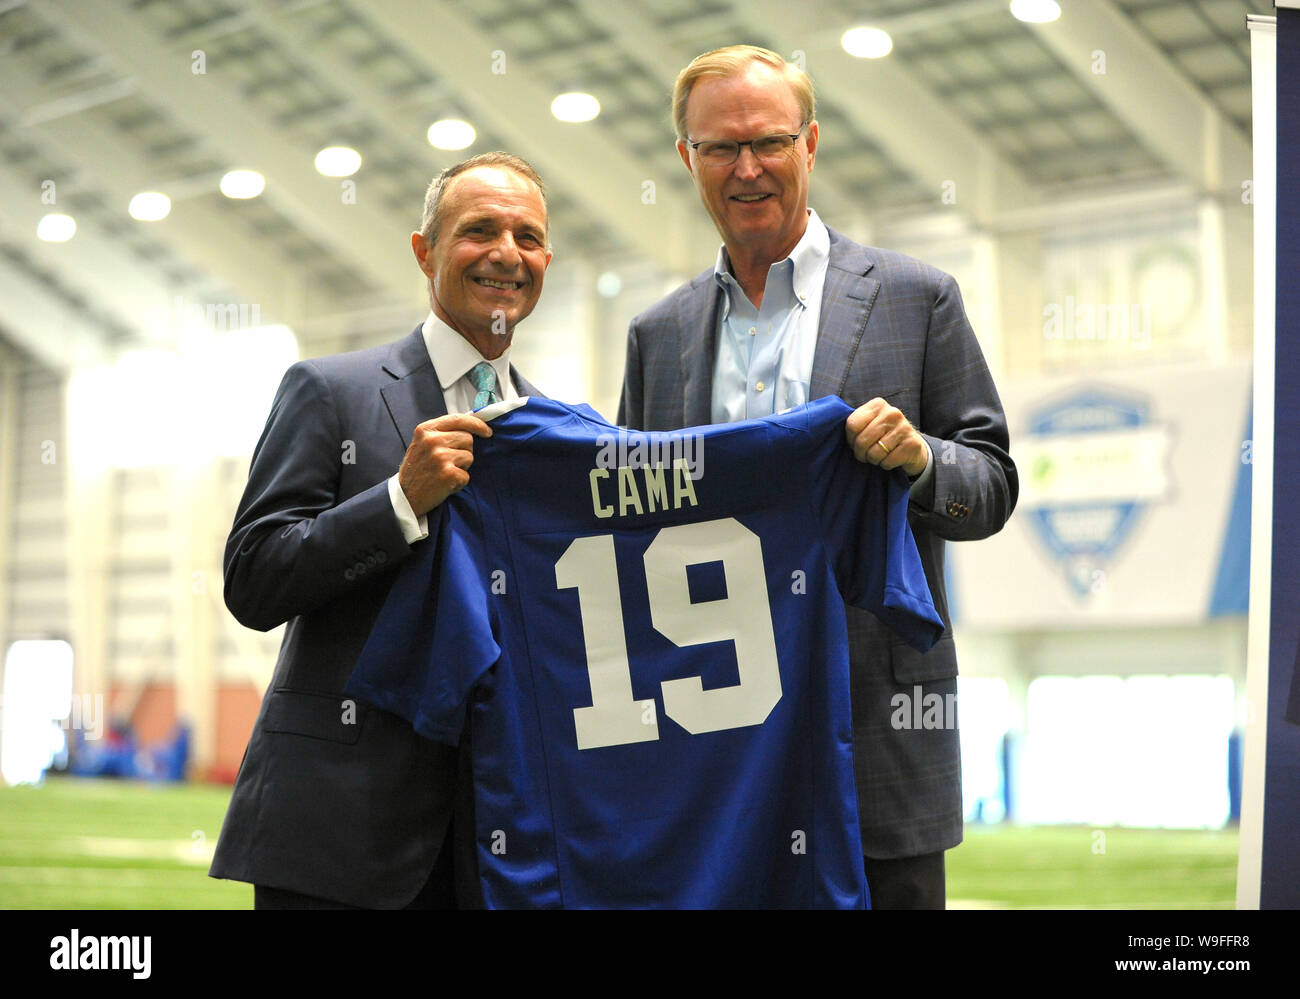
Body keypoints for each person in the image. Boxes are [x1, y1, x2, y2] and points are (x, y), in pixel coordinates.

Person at [618, 46, 1017, 909]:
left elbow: (989, 486)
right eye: (721, 147)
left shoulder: (919, 299)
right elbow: (630, 530)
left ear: (811, 144)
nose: (748, 167)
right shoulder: (659, 334)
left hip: (877, 730)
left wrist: (919, 460)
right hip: (712, 740)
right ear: (687, 159)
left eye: (769, 140)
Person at [209, 152, 553, 908]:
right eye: (479, 230)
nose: (506, 252)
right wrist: (399, 499)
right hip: (335, 838)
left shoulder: (555, 431)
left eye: (527, 236)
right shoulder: (330, 391)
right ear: (424, 251)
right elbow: (254, 577)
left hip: (497, 846)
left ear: (546, 262)